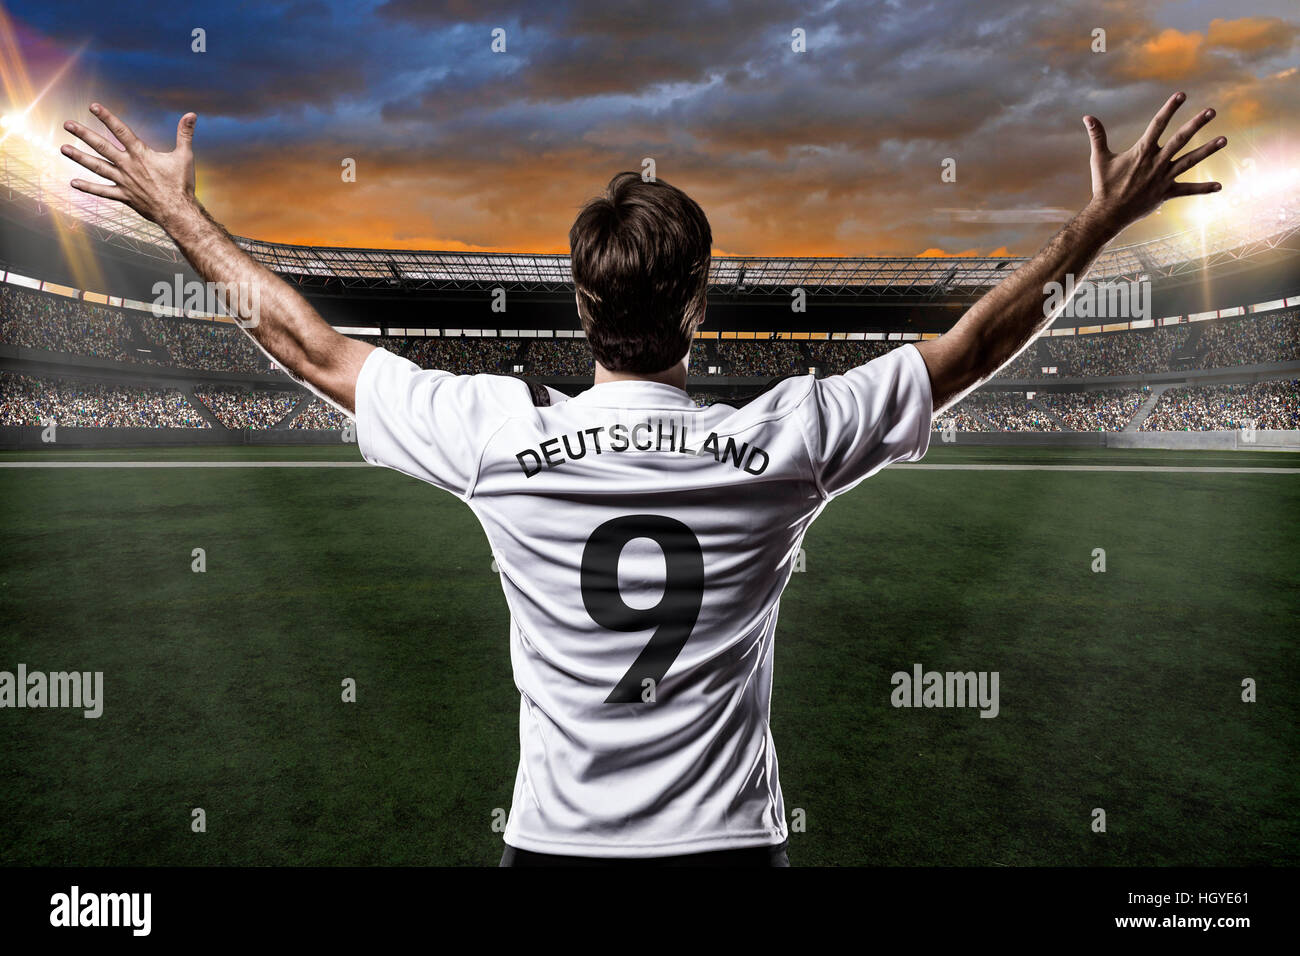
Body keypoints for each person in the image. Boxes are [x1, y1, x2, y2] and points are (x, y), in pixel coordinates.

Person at [60, 93, 1224, 865]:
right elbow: (971, 346)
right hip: (727, 846)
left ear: (578, 305)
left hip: (557, 845)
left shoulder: (495, 433)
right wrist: (1098, 222)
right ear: (700, 301)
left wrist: (178, 210)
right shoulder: (787, 439)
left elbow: (306, 345)